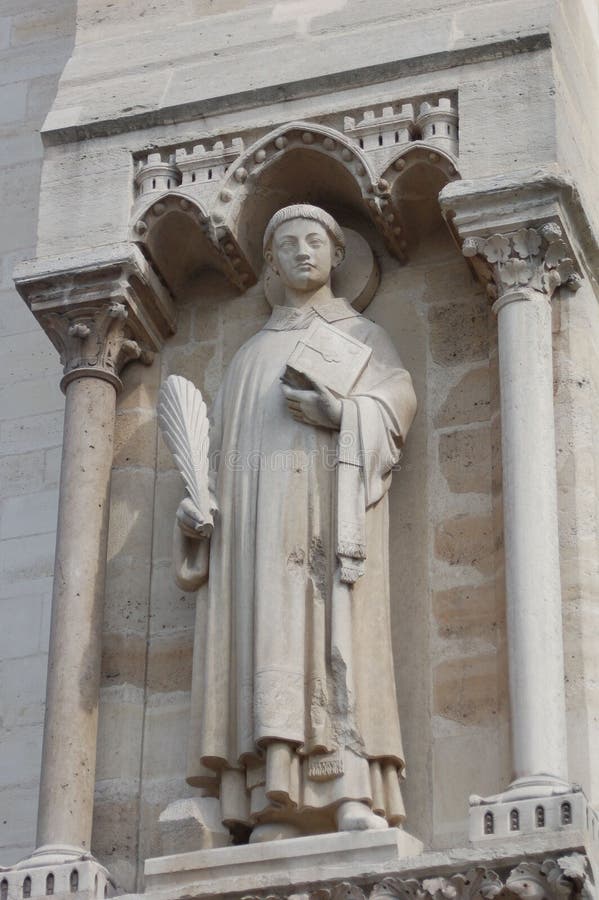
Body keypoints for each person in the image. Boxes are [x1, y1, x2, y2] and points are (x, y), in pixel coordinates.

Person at [172, 204, 417, 843]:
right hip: (256, 540)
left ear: (339, 256)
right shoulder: (249, 357)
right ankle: (272, 802)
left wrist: (343, 413)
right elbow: (221, 461)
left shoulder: (363, 339)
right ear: (272, 264)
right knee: (266, 644)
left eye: (315, 241)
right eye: (287, 245)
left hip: (330, 523)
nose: (303, 252)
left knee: (341, 642)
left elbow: (394, 407)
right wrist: (200, 521)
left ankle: (349, 792)